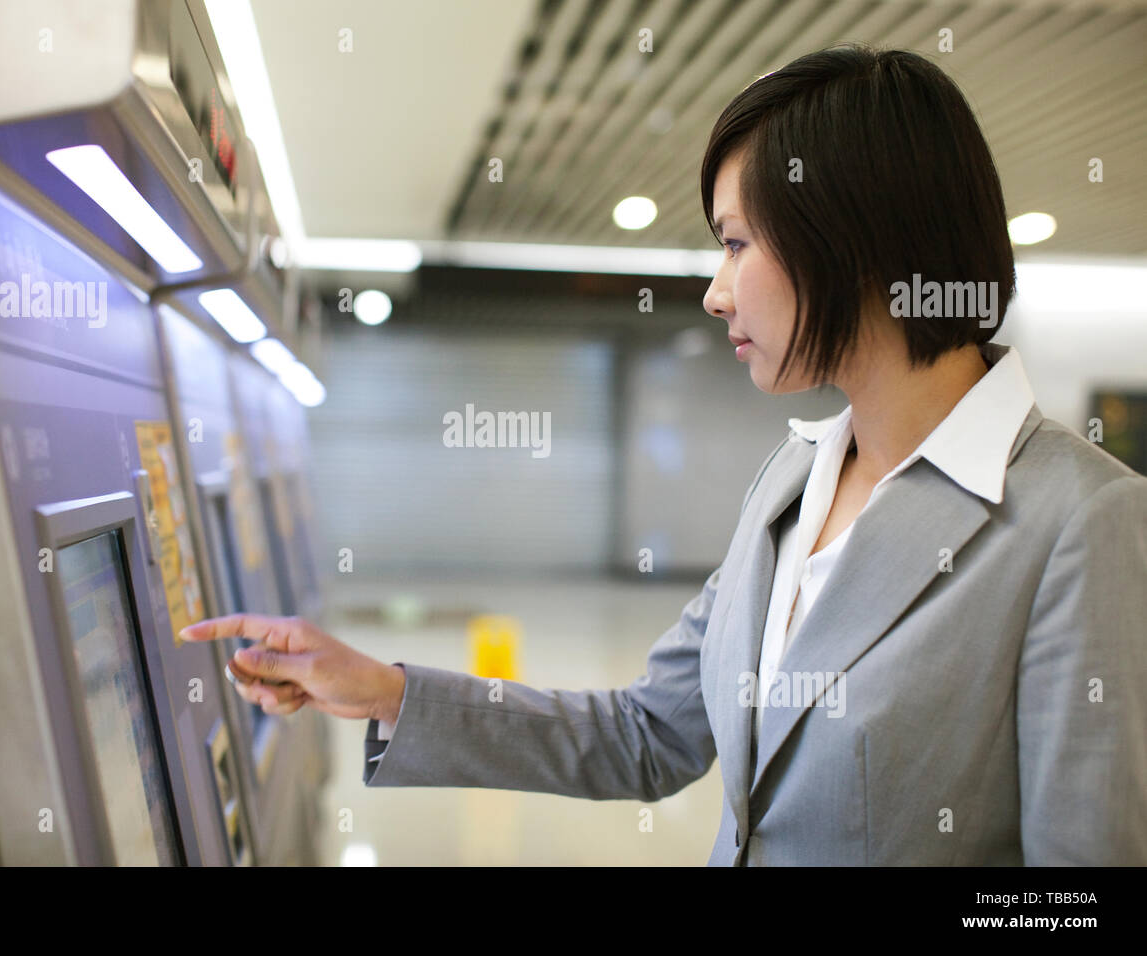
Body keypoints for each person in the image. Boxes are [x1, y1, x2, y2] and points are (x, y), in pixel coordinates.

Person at [181, 43, 1147, 865]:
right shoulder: (794, 481)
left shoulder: (1079, 522)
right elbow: (649, 732)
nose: (717, 293)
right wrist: (384, 690)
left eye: (736, 245)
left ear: (855, 241)